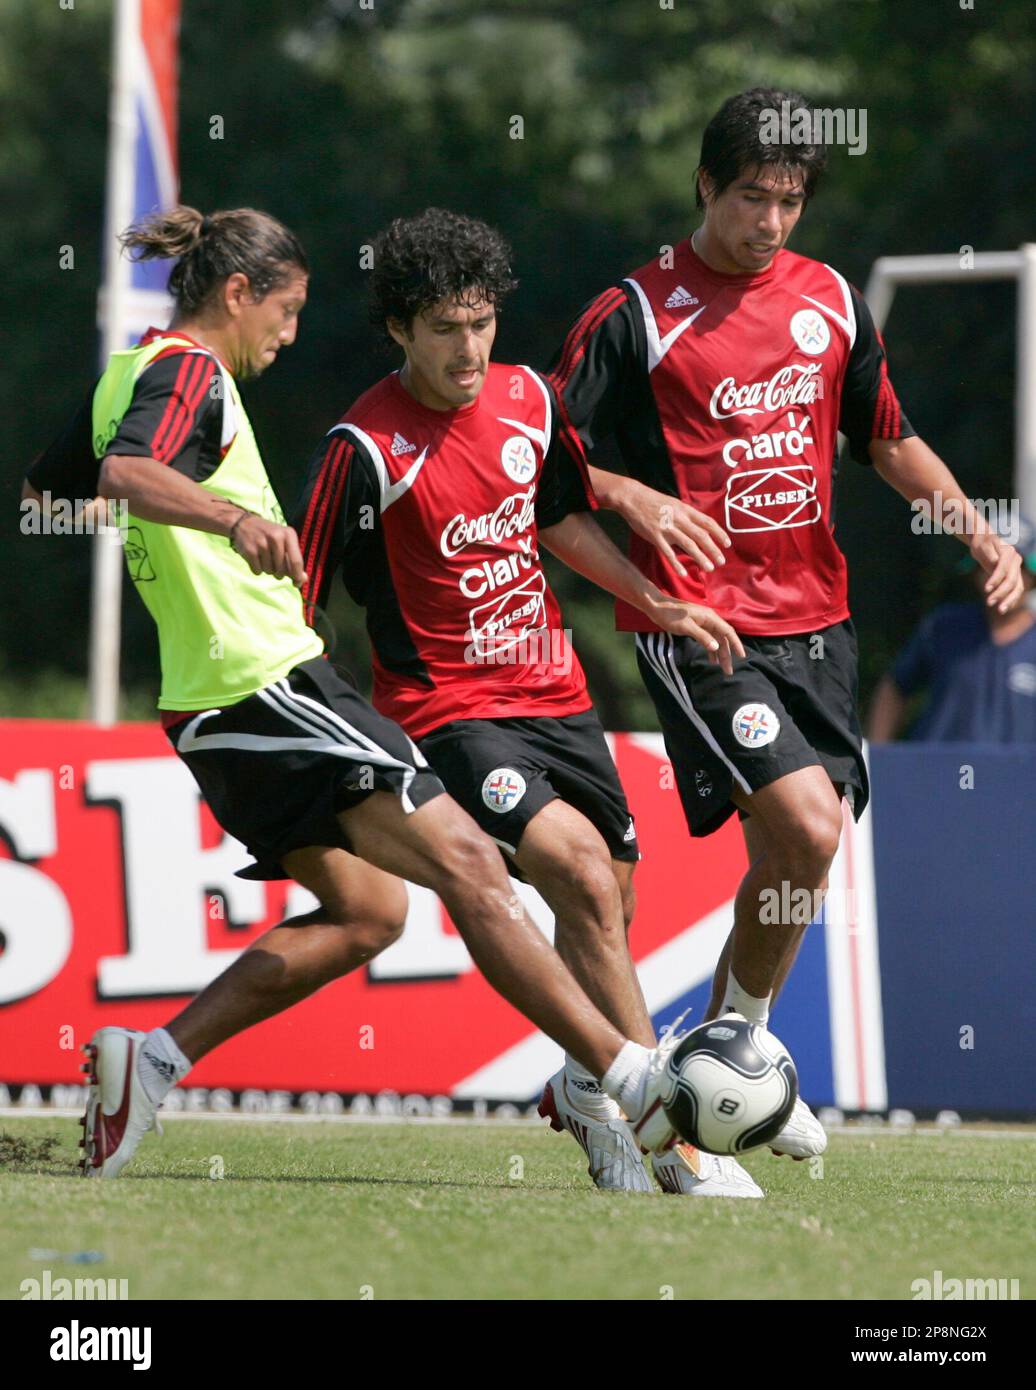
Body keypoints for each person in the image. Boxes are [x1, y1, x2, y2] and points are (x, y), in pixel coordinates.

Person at [22, 205, 701, 1179]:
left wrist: (165, 545)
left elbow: (51, 491)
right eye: (286, 312)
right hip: (261, 677)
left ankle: (152, 1062)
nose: (289, 336)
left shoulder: (125, 372)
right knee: (473, 863)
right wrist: (227, 521)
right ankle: (629, 1081)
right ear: (238, 294)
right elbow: (130, 471)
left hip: (204, 702)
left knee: (368, 912)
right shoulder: (189, 373)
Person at [545, 88, 1025, 1159]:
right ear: (705, 184)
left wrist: (978, 533)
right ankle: (730, 1064)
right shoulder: (633, 312)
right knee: (807, 829)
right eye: (751, 198)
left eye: (790, 201)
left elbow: (886, 437)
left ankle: (711, 1064)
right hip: (698, 626)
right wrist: (635, 499)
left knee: (795, 862)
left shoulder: (830, 300)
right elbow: (530, 458)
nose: (769, 222)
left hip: (820, 620)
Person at [293, 207, 758, 1197]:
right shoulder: (362, 447)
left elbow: (557, 522)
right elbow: (297, 593)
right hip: (445, 706)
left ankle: (588, 1084)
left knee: (611, 900)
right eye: (443, 330)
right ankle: (668, 1136)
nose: (469, 349)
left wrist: (656, 602)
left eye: (480, 322)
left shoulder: (528, 402)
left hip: (555, 691)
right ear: (398, 331)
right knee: (579, 873)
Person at [868, 520, 1036, 743]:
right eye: (990, 566)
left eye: (1017, 568)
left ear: (1032, 576)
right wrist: (878, 757)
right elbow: (895, 687)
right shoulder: (944, 626)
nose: (1002, 577)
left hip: (1018, 776)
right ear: (975, 572)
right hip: (936, 771)